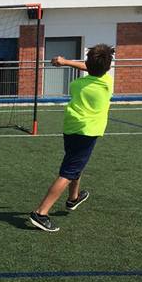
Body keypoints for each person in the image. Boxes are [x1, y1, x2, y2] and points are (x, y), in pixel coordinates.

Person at [28, 44, 115, 232]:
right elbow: (92, 68)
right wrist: (67, 62)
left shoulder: (76, 85)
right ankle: (40, 213)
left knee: (75, 163)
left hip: (70, 129)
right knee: (68, 172)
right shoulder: (107, 83)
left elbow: (88, 68)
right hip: (87, 133)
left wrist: (64, 61)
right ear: (108, 67)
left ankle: (73, 198)